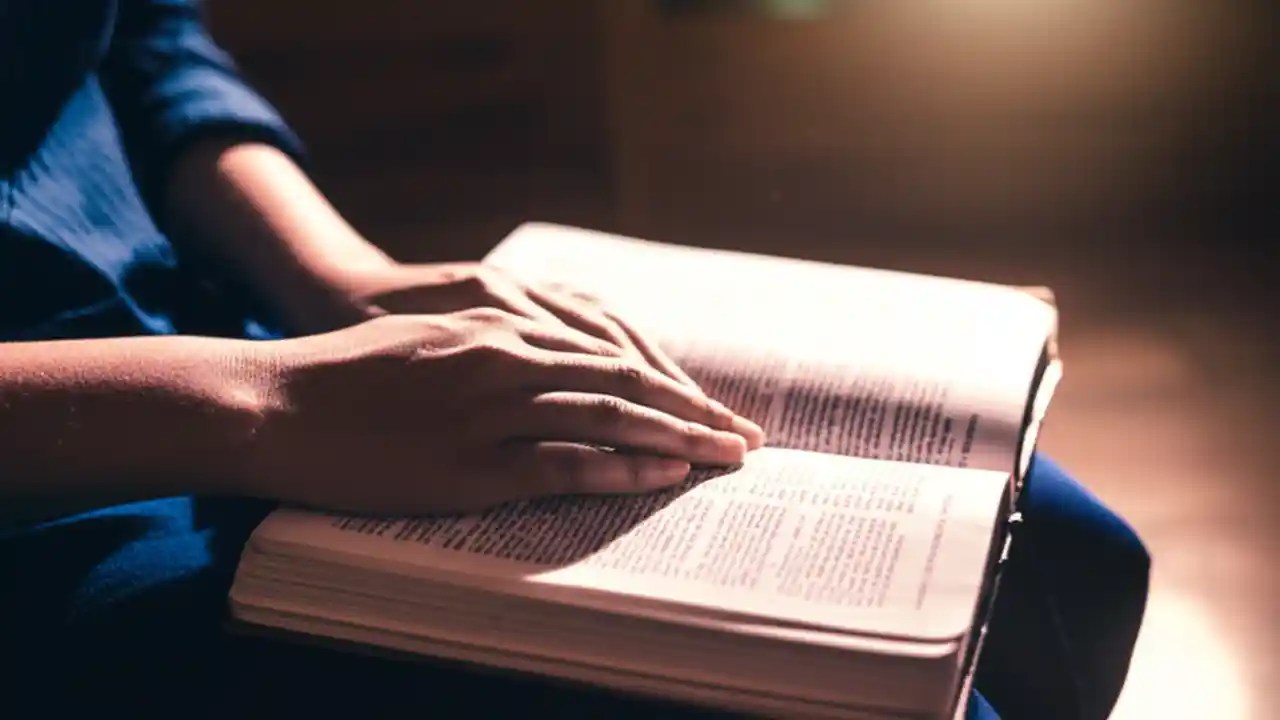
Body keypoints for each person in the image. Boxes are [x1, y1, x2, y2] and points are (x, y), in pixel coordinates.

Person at [0, 2, 1149, 718]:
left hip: (217, 321)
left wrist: (338, 279)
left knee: (1073, 562)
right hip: (67, 465)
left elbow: (144, 41)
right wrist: (263, 401)